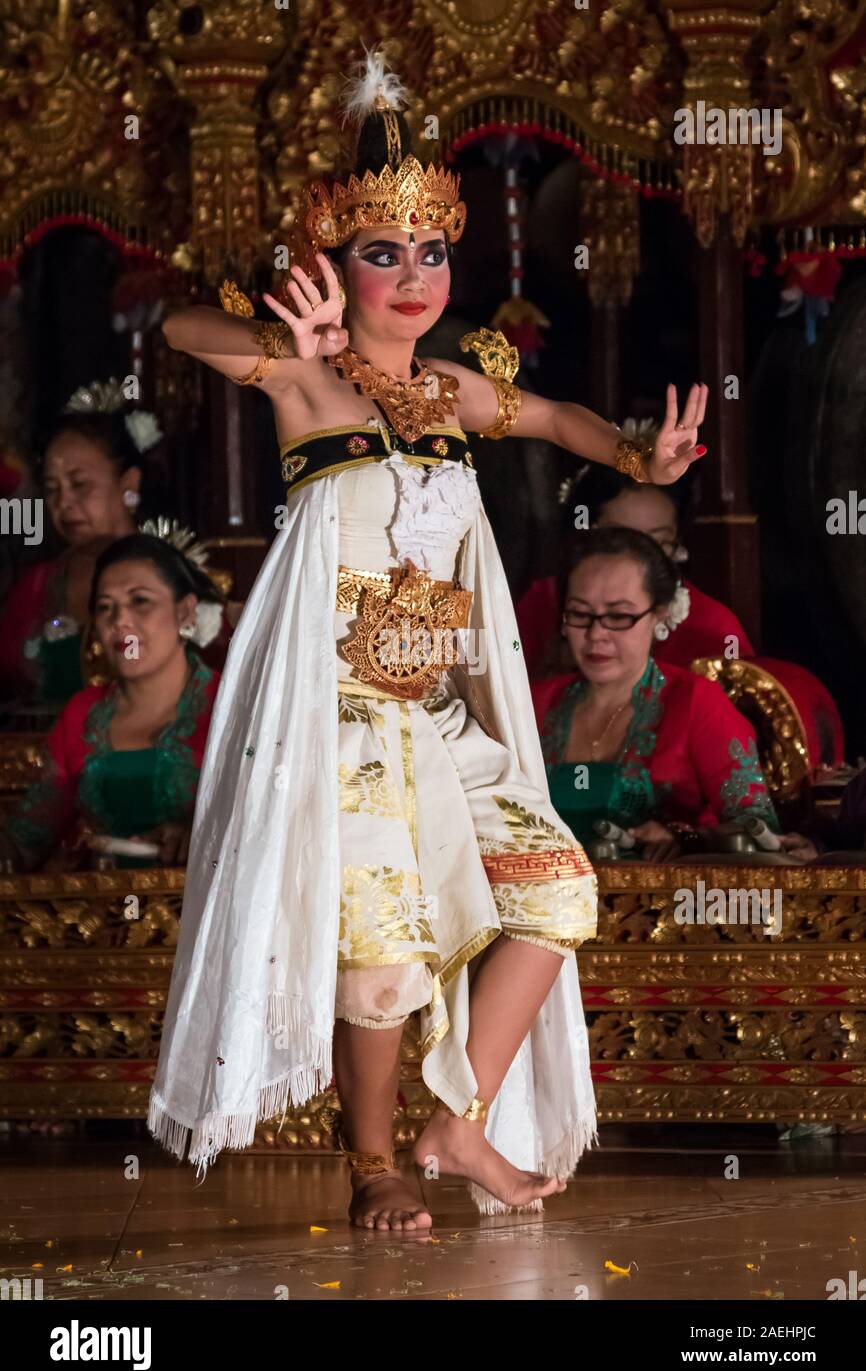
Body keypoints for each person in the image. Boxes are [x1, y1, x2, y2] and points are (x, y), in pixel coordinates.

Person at [146, 47, 708, 1232]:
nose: (411, 275)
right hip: (346, 725)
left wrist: (635, 458)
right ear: (337, 264)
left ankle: (455, 1116)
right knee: (382, 956)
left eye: (431, 251)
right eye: (381, 253)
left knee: (555, 888)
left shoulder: (451, 392)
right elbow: (175, 323)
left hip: (442, 720)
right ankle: (372, 1165)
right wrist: (277, 333)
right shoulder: (308, 386)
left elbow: (555, 416)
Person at [532, 528, 778, 859]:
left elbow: (759, 829)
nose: (596, 634)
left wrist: (686, 838)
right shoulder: (534, 703)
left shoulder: (694, 702)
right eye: (579, 614)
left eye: (619, 616)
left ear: (659, 614)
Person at [0, 534, 221, 872]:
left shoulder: (231, 706)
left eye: (140, 601)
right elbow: (29, 836)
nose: (120, 621)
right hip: (104, 914)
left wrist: (205, 836)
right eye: (105, 607)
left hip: (205, 912)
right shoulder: (83, 715)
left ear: (185, 612)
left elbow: (273, 821)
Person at [0, 386, 159, 704]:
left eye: (80, 484)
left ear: (128, 484)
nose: (64, 503)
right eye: (52, 489)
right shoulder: (37, 587)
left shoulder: (171, 577)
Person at [516, 466, 752, 676]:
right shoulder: (543, 601)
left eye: (657, 542)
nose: (640, 559)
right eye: (621, 541)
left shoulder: (713, 626)